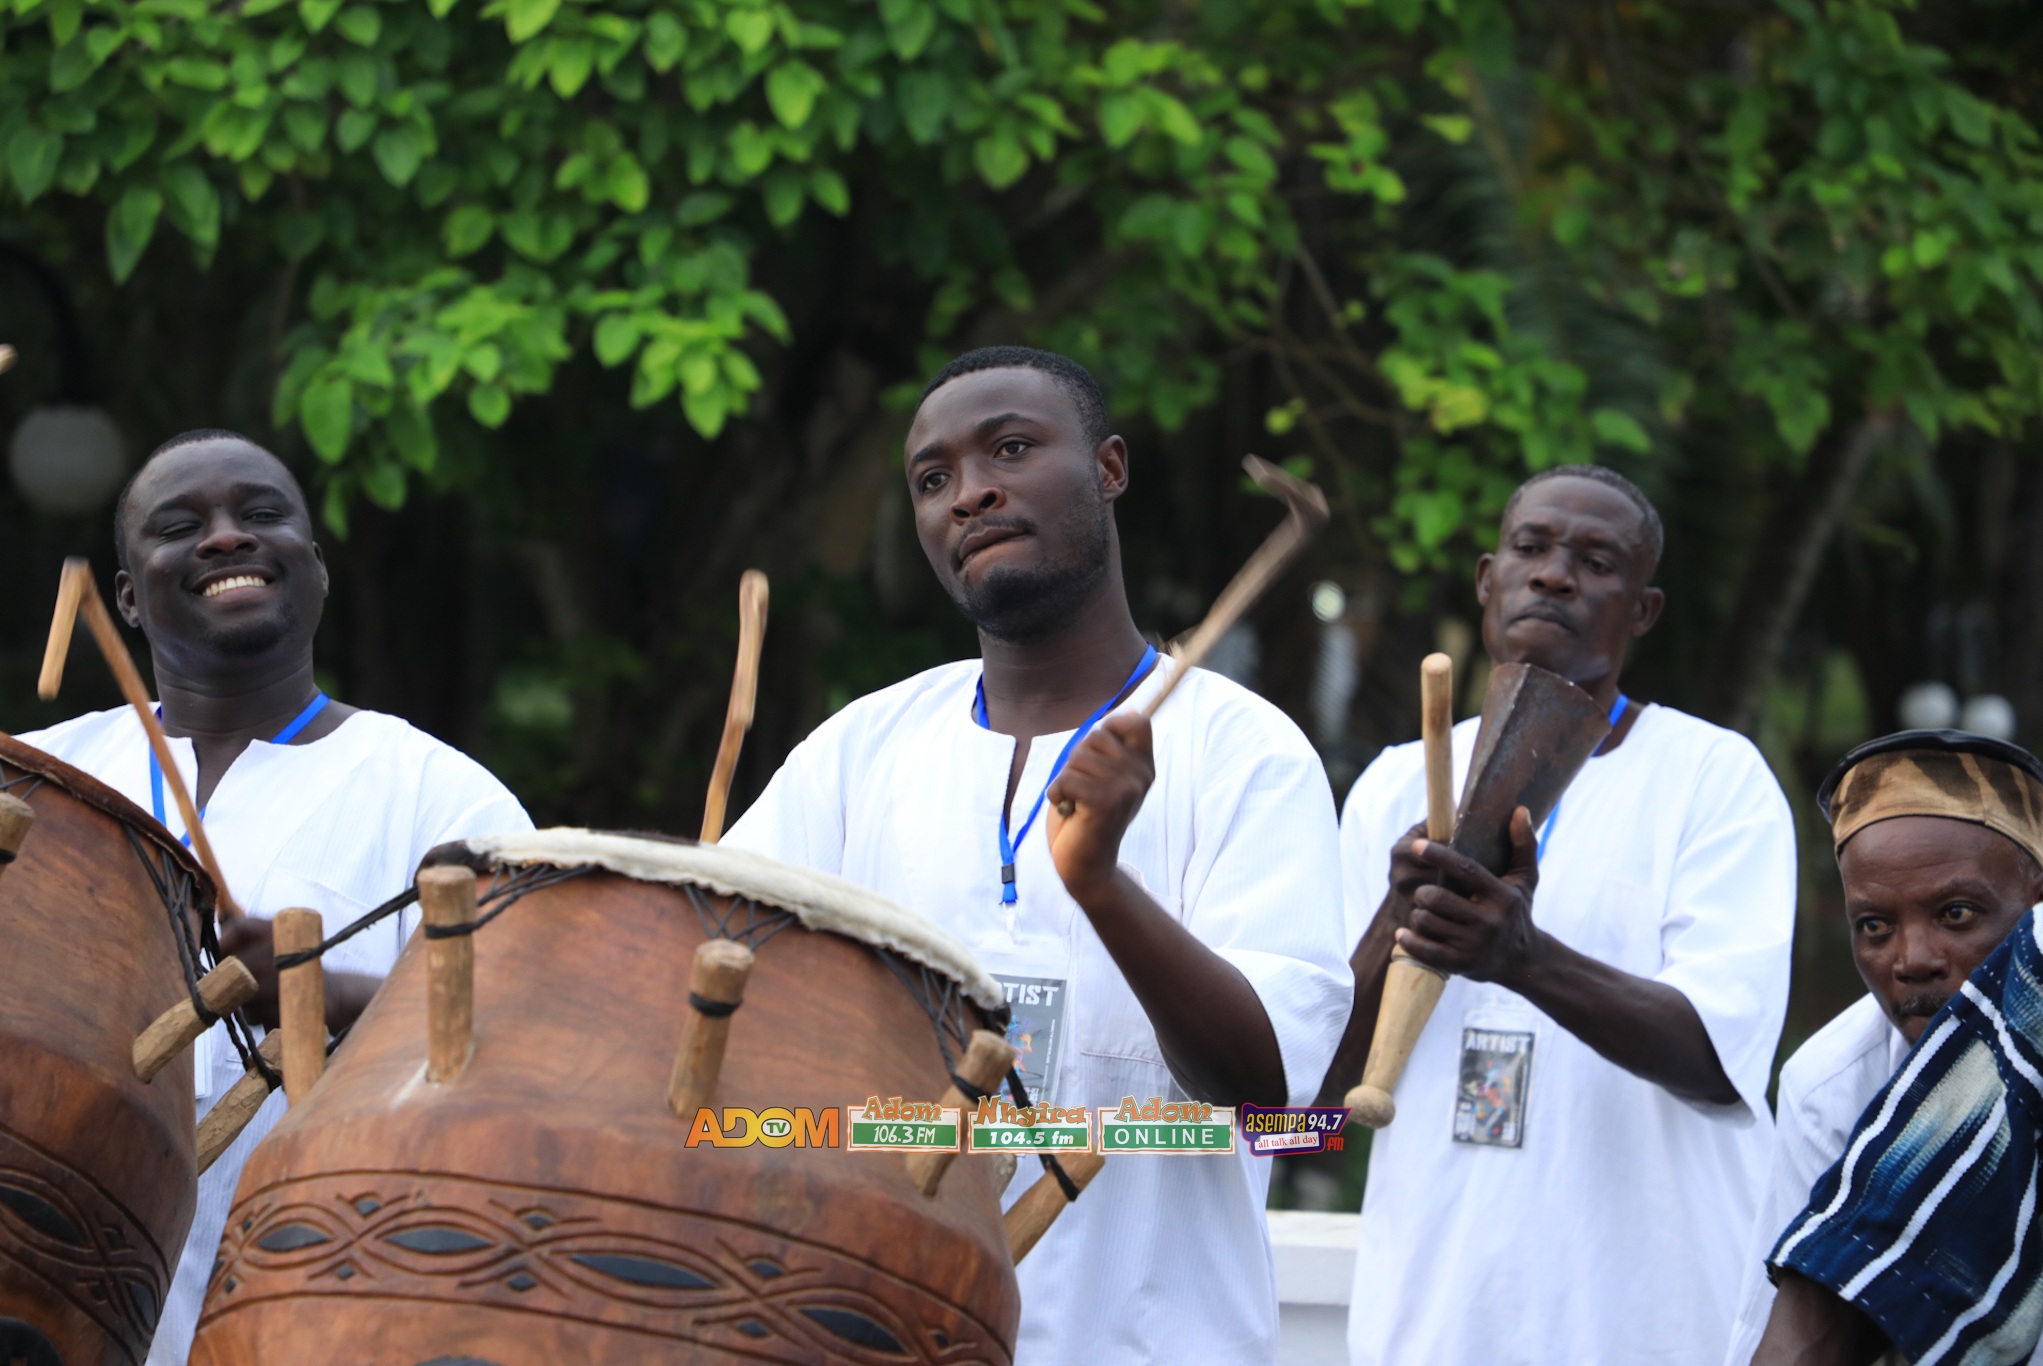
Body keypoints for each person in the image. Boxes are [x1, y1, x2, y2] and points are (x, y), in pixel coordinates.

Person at [723, 346, 1351, 1363]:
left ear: (1108, 469)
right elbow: (721, 975)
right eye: (933, 479)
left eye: (1009, 449)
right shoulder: (860, 747)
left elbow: (1266, 1093)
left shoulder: (1243, 751)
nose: (970, 493)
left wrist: (1098, 886)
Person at [16, 430, 532, 1365]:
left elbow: (532, 1056)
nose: (224, 539)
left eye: (259, 516)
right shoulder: (39, 783)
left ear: (316, 569)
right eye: (183, 526)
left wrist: (325, 997)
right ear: (127, 597)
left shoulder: (446, 799)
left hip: (321, 1303)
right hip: (43, 1296)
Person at [1323, 465, 1796, 1366]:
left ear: (1643, 611)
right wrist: (1400, 912)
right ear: (1485, 580)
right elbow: (1316, 1088)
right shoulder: (1394, 781)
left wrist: (1522, 959)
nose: (1553, 575)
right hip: (1430, 1324)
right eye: (1531, 549)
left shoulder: (1714, 778)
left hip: (1646, 1325)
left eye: (1596, 560)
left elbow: (1715, 1059)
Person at [1727, 731, 2043, 1366]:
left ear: (2038, 905)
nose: (1913, 961)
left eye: (1956, 914)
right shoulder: (1828, 1084)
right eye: (1874, 926)